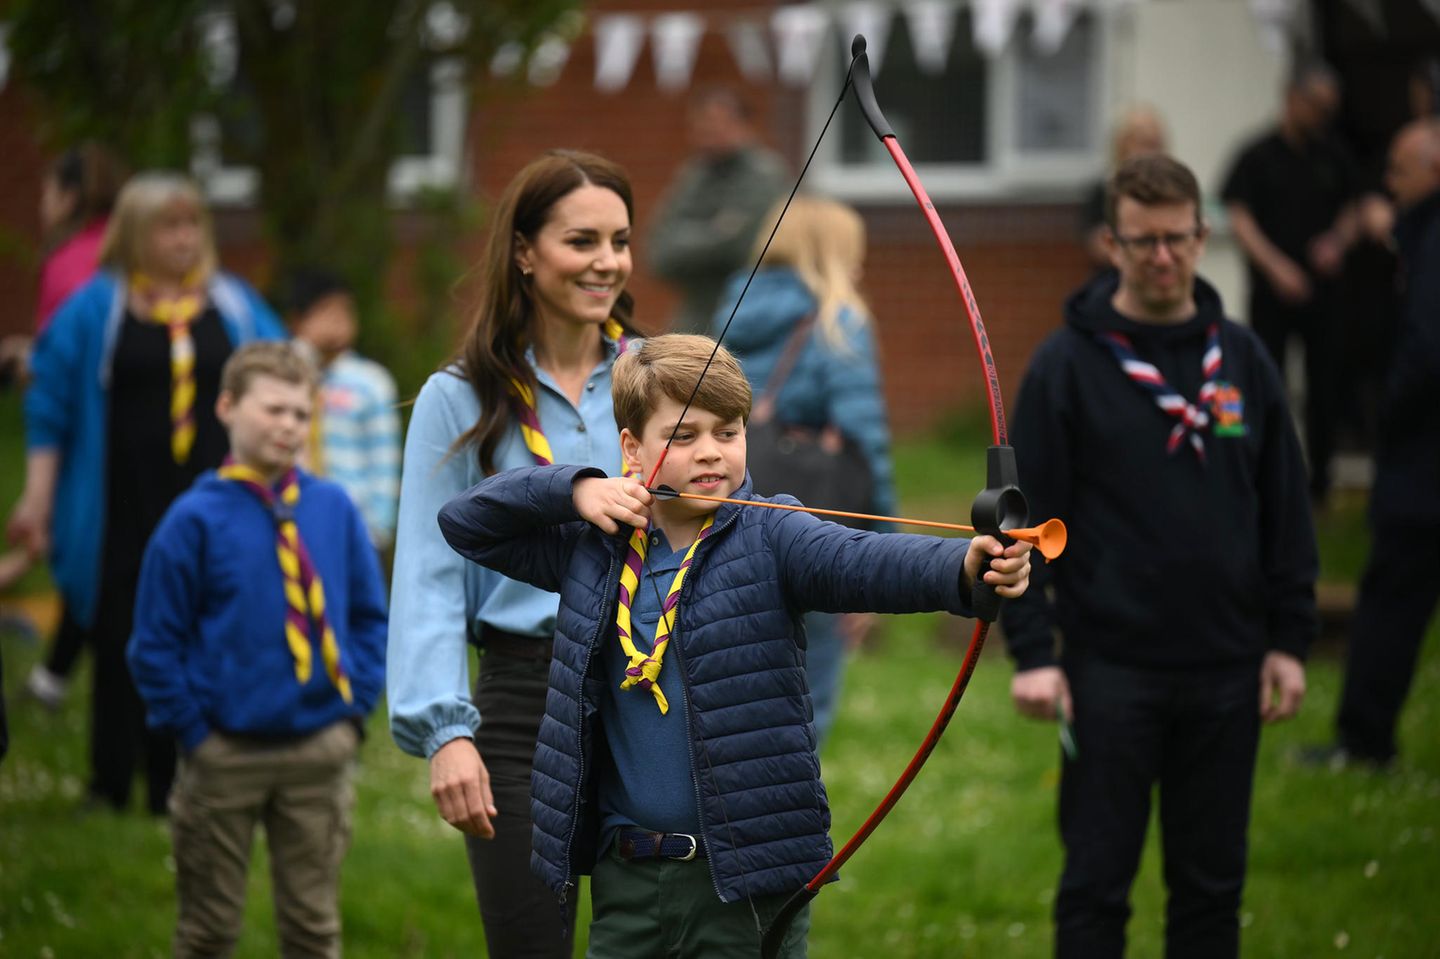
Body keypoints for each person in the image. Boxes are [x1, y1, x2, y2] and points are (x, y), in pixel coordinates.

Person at [435, 333, 1033, 958]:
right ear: (632, 448)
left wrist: (968, 566)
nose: (711, 453)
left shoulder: (772, 533)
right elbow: (465, 522)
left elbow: (864, 559)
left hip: (743, 883)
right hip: (629, 877)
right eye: (684, 435)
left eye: (728, 431)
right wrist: (575, 489)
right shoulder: (593, 545)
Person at [1001, 154, 1317, 958]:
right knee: (1095, 889)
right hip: (1110, 670)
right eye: (1143, 242)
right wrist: (1035, 651)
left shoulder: (1242, 358)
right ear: (1112, 242)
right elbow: (1021, 519)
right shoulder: (1065, 367)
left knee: (1212, 892)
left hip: (1227, 665)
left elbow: (1285, 507)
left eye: (1177, 238)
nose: (1163, 257)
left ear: (1204, 235)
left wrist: (1288, 637)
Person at [386, 149, 641, 958]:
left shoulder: (660, 373)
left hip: (648, 686)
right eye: (582, 240)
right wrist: (444, 730)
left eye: (621, 240)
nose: (607, 262)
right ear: (525, 253)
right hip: (524, 698)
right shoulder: (459, 395)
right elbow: (427, 573)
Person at [8, 172, 284, 814]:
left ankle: (177, 784)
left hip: (216, 502)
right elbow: (48, 403)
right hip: (120, 503)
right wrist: (38, 496)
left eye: (194, 225)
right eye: (169, 226)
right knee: (118, 636)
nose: (186, 238)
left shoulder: (234, 306)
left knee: (202, 632)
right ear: (135, 233)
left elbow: (283, 379)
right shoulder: (96, 309)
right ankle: (108, 783)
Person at [127, 341, 387, 956]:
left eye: (301, 414)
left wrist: (354, 712)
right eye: (273, 409)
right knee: (208, 930)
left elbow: (369, 617)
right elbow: (153, 644)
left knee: (313, 928)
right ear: (225, 407)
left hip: (318, 749)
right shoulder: (193, 519)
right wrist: (194, 733)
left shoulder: (333, 509)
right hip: (224, 752)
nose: (289, 426)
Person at [713, 195, 896, 746]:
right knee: (806, 707)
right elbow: (866, 443)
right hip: (814, 533)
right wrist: (882, 557)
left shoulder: (730, 312)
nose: (861, 267)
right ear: (832, 256)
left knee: (730, 693)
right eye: (854, 253)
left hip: (725, 525)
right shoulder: (838, 321)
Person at [1322, 119, 1440, 769]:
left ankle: (1363, 741)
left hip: (1422, 473)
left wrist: (1385, 415)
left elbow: (1425, 349)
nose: (1389, 185)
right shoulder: (1417, 232)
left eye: (1399, 171)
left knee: (1391, 604)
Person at [16, 142, 127, 711]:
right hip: (139, 439)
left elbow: (57, 371)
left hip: (90, 442)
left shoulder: (69, 265)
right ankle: (55, 677)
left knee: (85, 555)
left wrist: (23, 359)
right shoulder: (121, 255)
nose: (41, 201)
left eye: (47, 188)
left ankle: (61, 680)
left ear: (70, 195)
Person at [1222, 64, 1362, 505]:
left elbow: (1357, 207)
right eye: (1316, 106)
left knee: (1324, 386)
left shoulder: (1333, 153)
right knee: (1267, 384)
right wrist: (1276, 267)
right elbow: (1238, 216)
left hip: (1324, 297)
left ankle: (1319, 486)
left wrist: (1338, 240)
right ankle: (1268, 478)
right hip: (1271, 297)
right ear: (1291, 99)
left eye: (1328, 109)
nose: (1321, 116)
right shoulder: (1257, 155)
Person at [647, 87, 788, 334]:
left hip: (749, 315)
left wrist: (690, 238)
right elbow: (660, 251)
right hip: (695, 316)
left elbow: (743, 246)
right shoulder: (693, 175)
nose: (705, 133)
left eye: (715, 124)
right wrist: (715, 231)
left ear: (743, 125)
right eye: (699, 126)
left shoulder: (764, 175)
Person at [281, 268, 401, 552]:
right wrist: (307, 349)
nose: (339, 320)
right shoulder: (282, 374)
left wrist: (378, 529)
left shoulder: (371, 381)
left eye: (345, 310)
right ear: (298, 321)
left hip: (352, 527)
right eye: (326, 310)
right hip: (287, 522)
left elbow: (384, 460)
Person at [1080, 106, 1168, 271]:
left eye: (1154, 144)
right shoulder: (1105, 190)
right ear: (1122, 145)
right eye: (1142, 143)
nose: (1149, 153)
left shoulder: (1173, 192)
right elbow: (1097, 247)